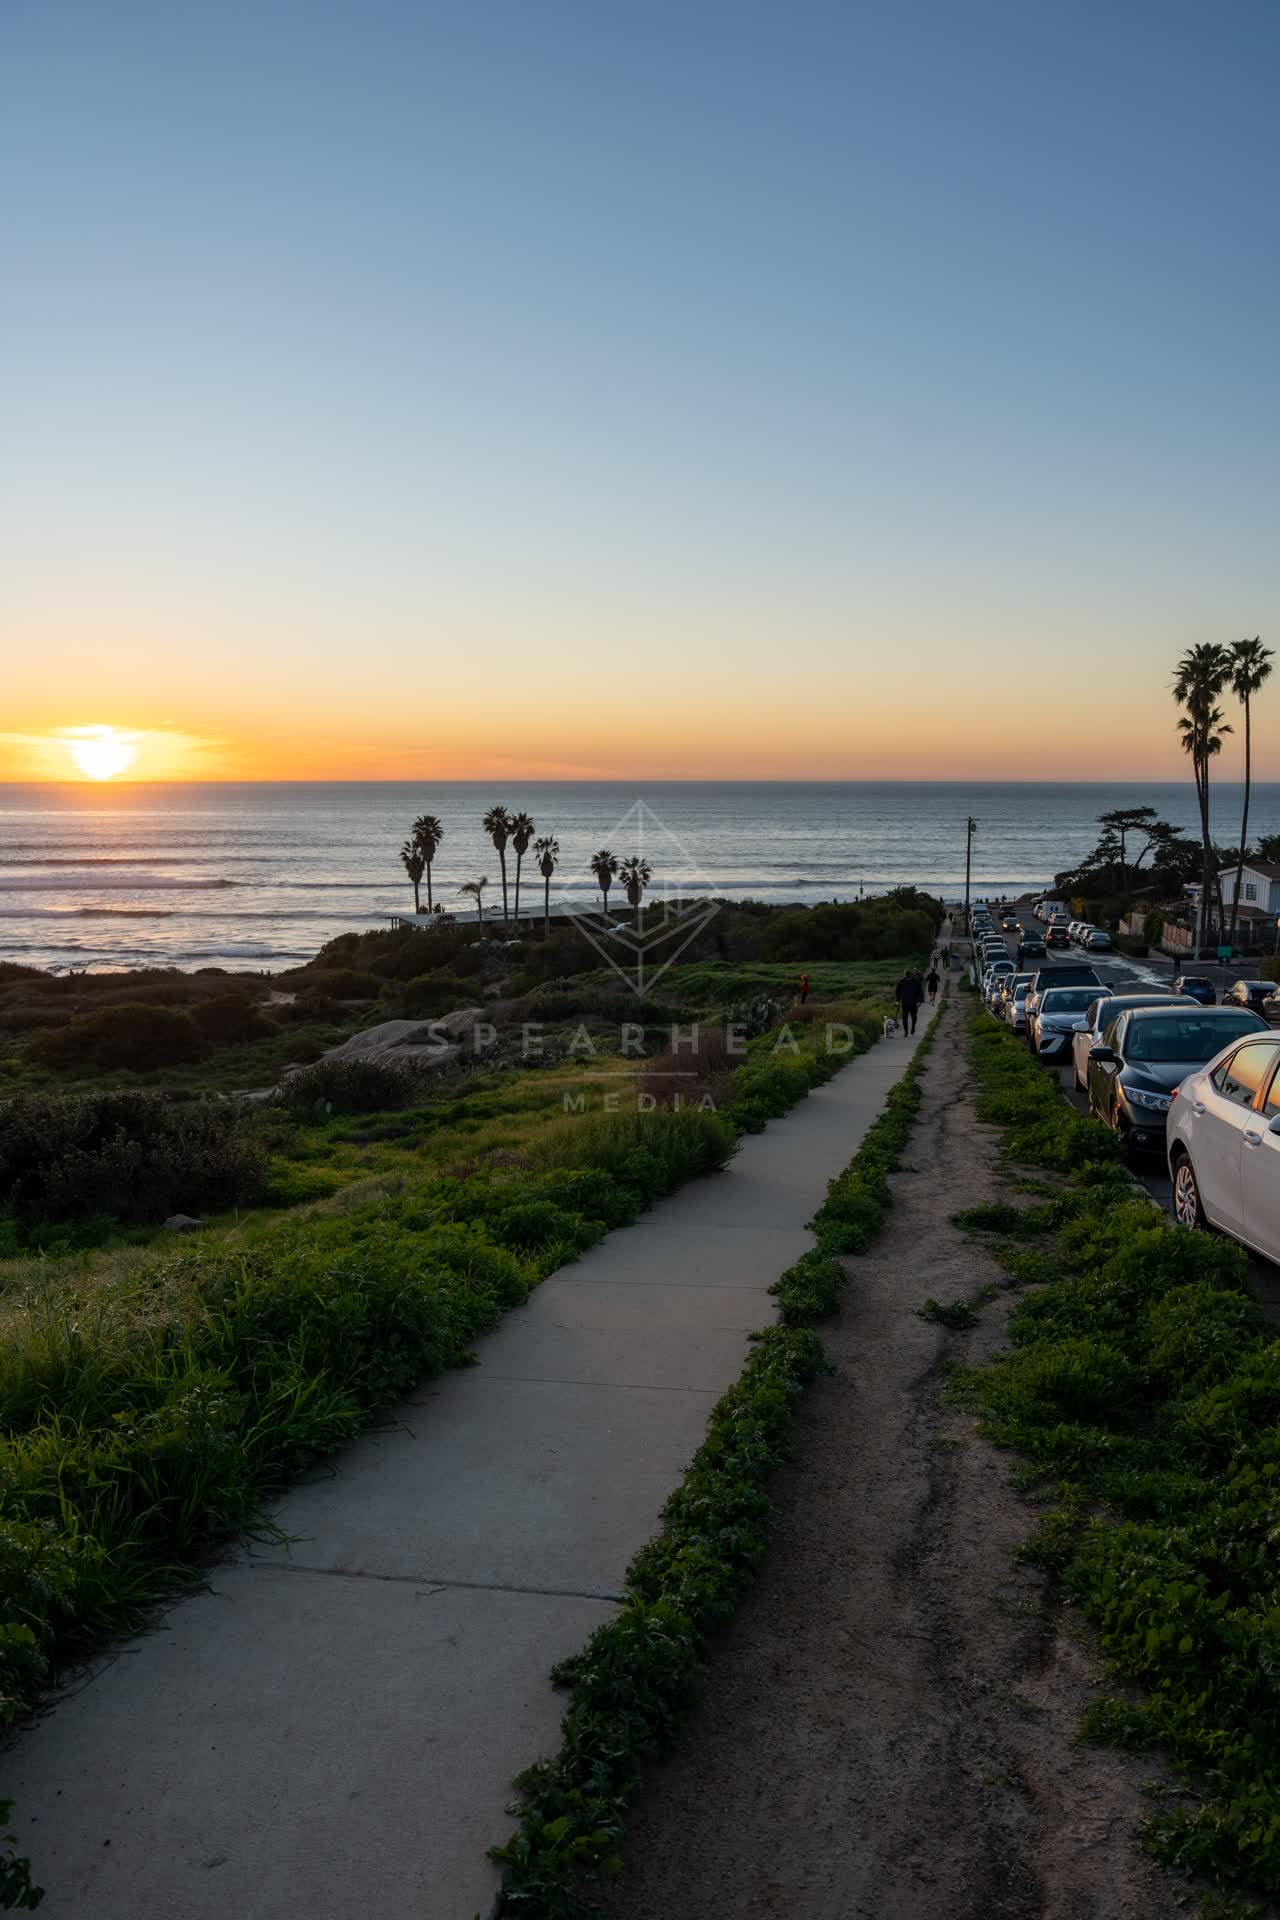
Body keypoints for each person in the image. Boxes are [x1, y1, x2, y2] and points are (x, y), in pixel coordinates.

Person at [894, 967, 925, 1034]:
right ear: (904, 975)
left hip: (914, 1003)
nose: (907, 978)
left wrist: (919, 1001)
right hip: (904, 1002)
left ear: (911, 975)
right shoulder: (901, 982)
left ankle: (913, 1027)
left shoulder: (916, 982)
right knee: (904, 1017)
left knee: (914, 1017)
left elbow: (920, 992)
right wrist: (897, 1000)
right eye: (906, 976)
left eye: (908, 977)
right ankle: (906, 1032)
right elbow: (897, 992)